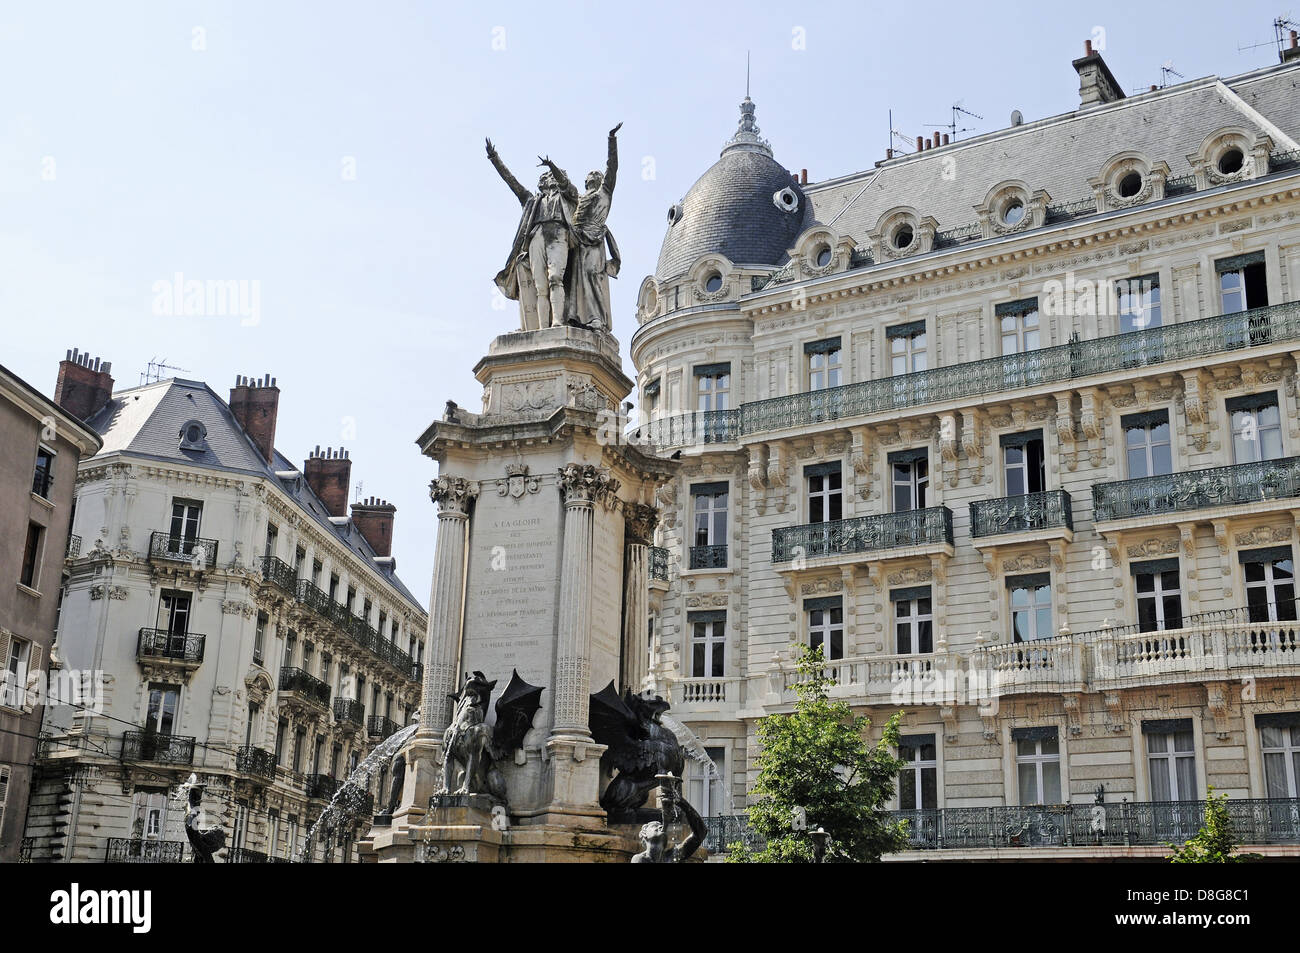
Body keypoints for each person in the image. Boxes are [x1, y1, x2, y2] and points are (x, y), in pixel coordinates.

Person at [538, 123, 622, 331]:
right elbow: (565, 184)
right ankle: (574, 316)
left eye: (597, 173)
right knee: (575, 281)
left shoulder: (604, 194)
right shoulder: (579, 197)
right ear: (585, 180)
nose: (594, 174)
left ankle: (596, 319)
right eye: (591, 173)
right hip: (577, 240)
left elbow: (612, 167)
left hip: (593, 240)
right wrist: (552, 166)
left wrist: (611, 140)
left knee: (593, 277)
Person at [487, 139, 574, 330]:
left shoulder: (566, 196)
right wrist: (495, 159)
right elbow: (512, 182)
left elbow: (566, 184)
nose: (549, 179)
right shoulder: (532, 200)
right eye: (546, 177)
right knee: (540, 286)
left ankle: (557, 320)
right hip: (537, 236)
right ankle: (543, 328)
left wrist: (552, 165)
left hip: (558, 233)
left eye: (552, 176)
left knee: (555, 278)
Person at [631, 784, 706, 863]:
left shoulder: (672, 856)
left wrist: (681, 802)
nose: (660, 826)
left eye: (660, 825)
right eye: (655, 825)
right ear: (644, 833)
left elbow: (701, 833)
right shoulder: (640, 859)